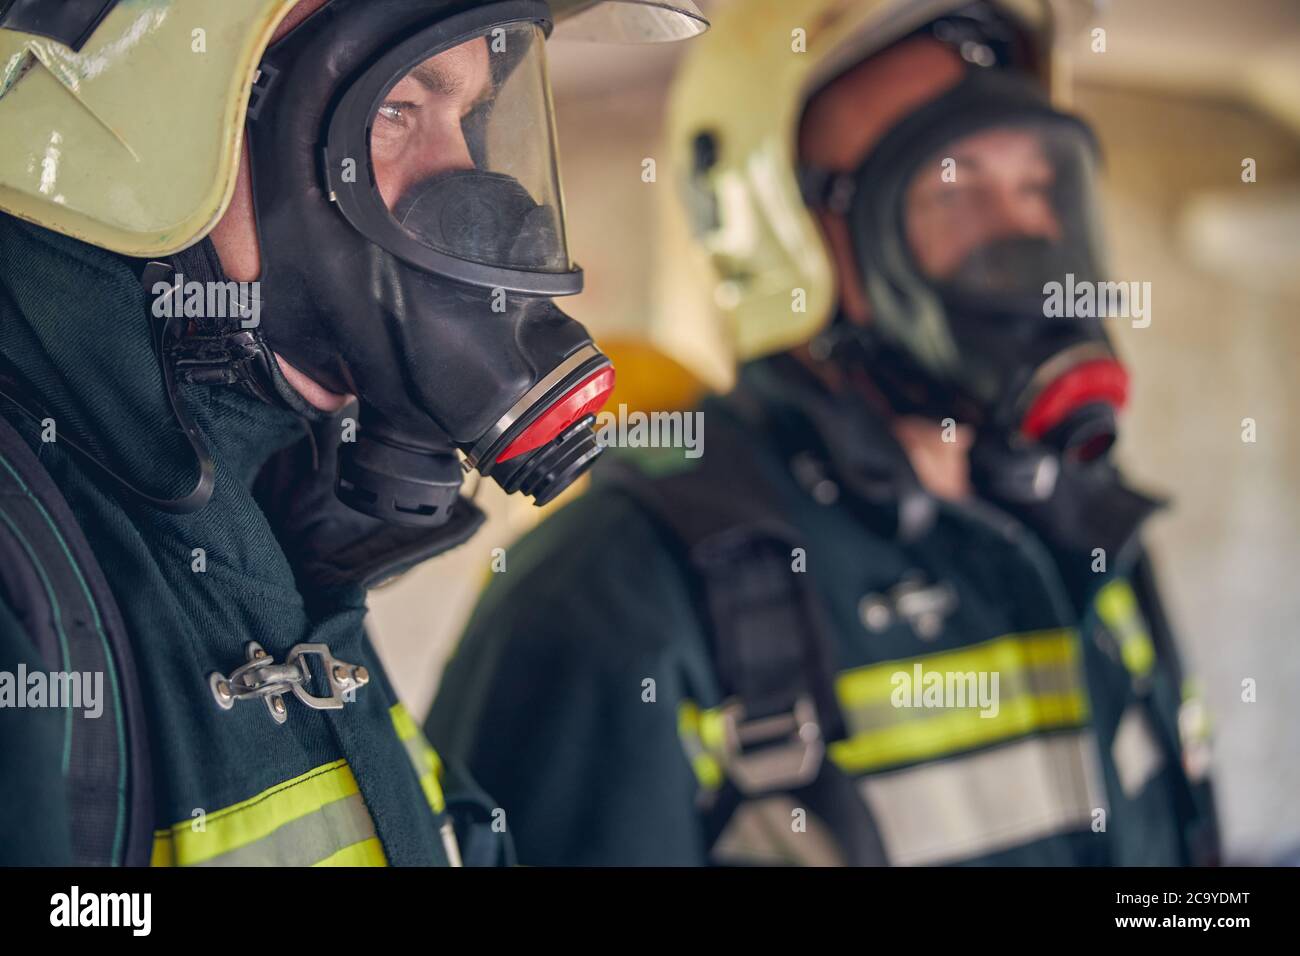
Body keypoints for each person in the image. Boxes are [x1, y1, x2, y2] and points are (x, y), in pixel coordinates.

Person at [425, 0, 1220, 866]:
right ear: (781, 235)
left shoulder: (1088, 525)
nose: (1024, 236)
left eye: (1037, 186)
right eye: (954, 185)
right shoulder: (610, 592)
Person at [0, 0, 707, 866]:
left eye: (471, 123)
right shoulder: (29, 580)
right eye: (396, 110)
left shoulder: (272, 524)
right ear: (145, 135)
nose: (473, 198)